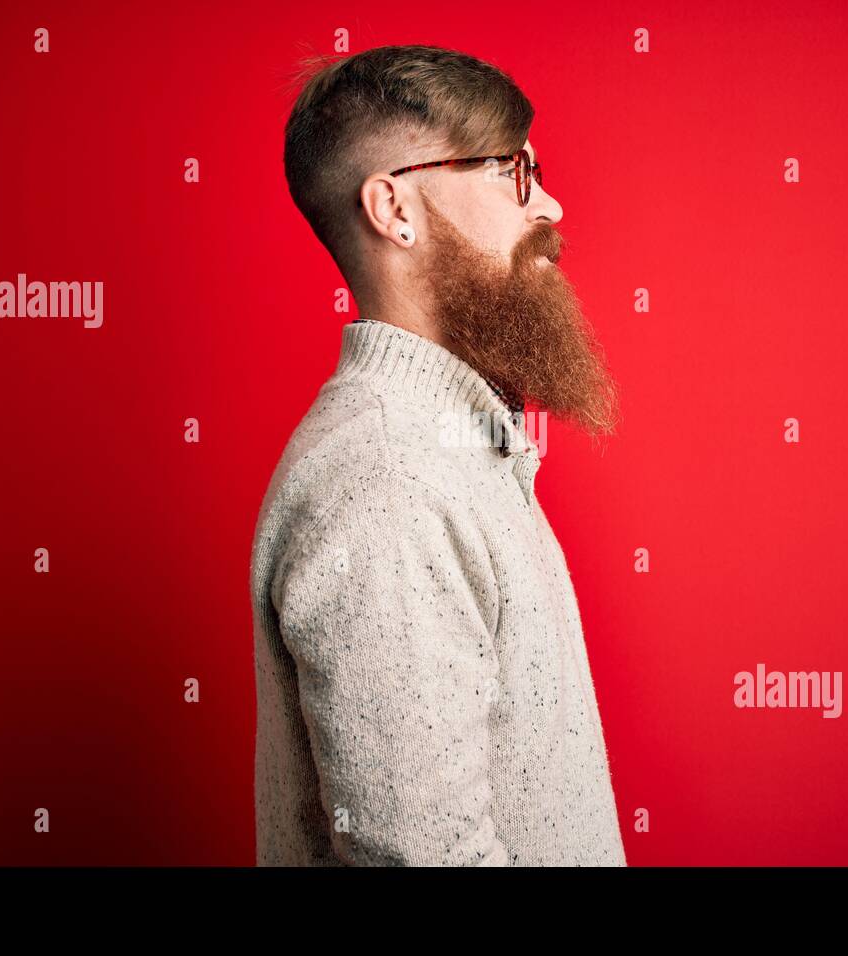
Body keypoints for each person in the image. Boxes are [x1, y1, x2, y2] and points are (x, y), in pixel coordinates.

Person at [250, 43, 625, 865]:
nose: (550, 206)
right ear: (394, 209)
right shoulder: (386, 480)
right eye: (510, 172)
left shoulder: (441, 446)